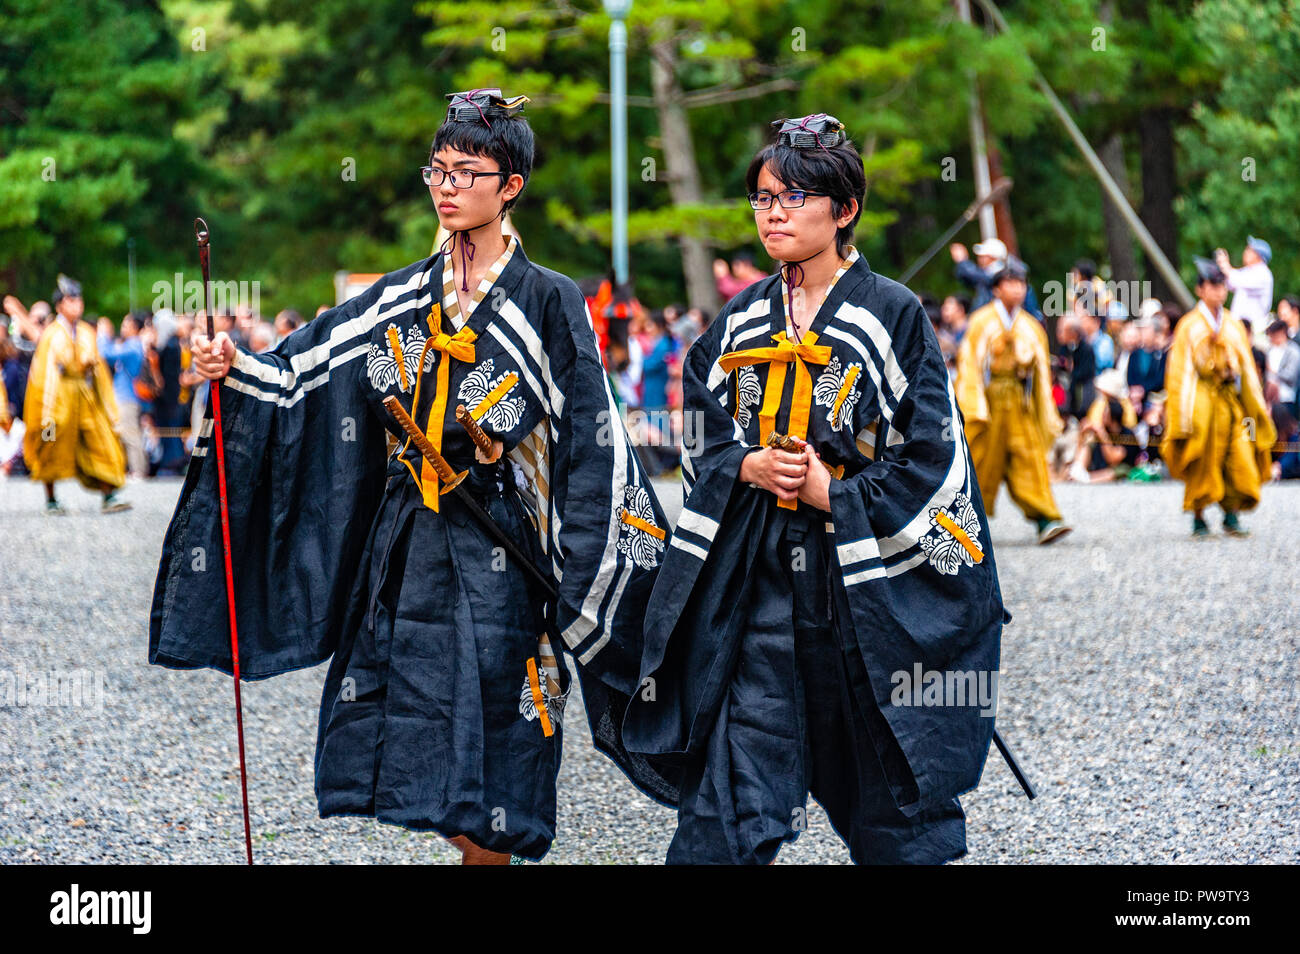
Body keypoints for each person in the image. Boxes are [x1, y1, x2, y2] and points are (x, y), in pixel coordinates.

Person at [150, 89, 676, 864]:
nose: (447, 185)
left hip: (504, 556)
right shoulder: (399, 296)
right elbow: (302, 371)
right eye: (438, 169)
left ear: (512, 186)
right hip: (406, 560)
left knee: (502, 745)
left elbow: (597, 445)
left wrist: (592, 580)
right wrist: (235, 369)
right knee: (422, 741)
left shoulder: (551, 300)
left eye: (468, 171)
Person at [624, 113, 1009, 865]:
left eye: (796, 196)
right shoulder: (740, 320)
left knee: (890, 799)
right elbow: (699, 421)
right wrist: (745, 466)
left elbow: (936, 454)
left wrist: (839, 493)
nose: (774, 211)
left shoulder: (891, 314)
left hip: (858, 594)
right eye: (764, 196)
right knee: (724, 815)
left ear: (845, 209)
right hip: (759, 584)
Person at [956, 257, 1071, 544]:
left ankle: (1046, 519)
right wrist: (973, 406)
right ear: (996, 289)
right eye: (1010, 283)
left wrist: (1044, 408)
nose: (1017, 289)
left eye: (1021, 283)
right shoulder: (981, 322)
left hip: (1019, 401)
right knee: (980, 461)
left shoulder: (1030, 325)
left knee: (1029, 459)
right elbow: (970, 365)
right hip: (989, 400)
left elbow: (1042, 372)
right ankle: (964, 523)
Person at [1161, 258, 1275, 537]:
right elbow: (1180, 373)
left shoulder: (1233, 324)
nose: (1219, 292)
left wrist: (1250, 399)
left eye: (1222, 286)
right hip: (1199, 402)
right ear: (1200, 289)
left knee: (1238, 452)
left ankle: (1231, 514)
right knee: (1201, 454)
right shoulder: (1189, 325)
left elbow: (1247, 367)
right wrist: (1181, 416)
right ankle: (1199, 514)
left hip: (1228, 400)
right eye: (1212, 286)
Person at [19, 275, 130, 514]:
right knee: (49, 441)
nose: (77, 305)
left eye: (78, 300)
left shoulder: (86, 331)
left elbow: (99, 369)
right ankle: (51, 498)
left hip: (84, 396)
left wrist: (105, 401)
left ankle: (108, 494)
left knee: (99, 438)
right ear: (60, 306)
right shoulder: (52, 334)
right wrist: (46, 411)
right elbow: (44, 373)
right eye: (71, 300)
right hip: (56, 399)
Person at [1215, 236, 1273, 330]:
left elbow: (1236, 279)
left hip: (1253, 329)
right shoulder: (1247, 271)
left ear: (1258, 255)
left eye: (1249, 250)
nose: (1245, 252)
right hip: (1240, 326)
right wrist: (1223, 268)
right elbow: (1230, 284)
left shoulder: (1263, 274)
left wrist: (1224, 263)